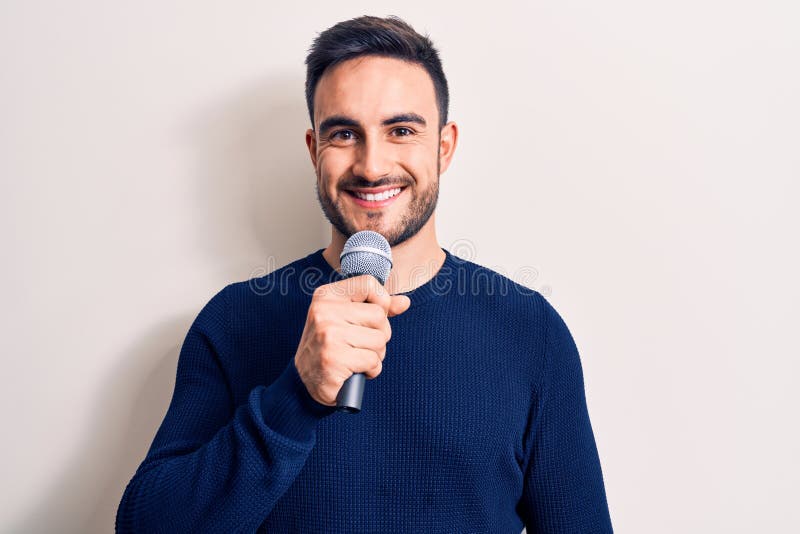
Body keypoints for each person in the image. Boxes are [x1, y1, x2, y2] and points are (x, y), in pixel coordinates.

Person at [116, 15, 613, 533]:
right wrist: (296, 395)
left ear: (444, 147)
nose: (372, 166)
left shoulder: (530, 331)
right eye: (344, 134)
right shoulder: (236, 319)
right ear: (314, 152)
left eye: (401, 130)